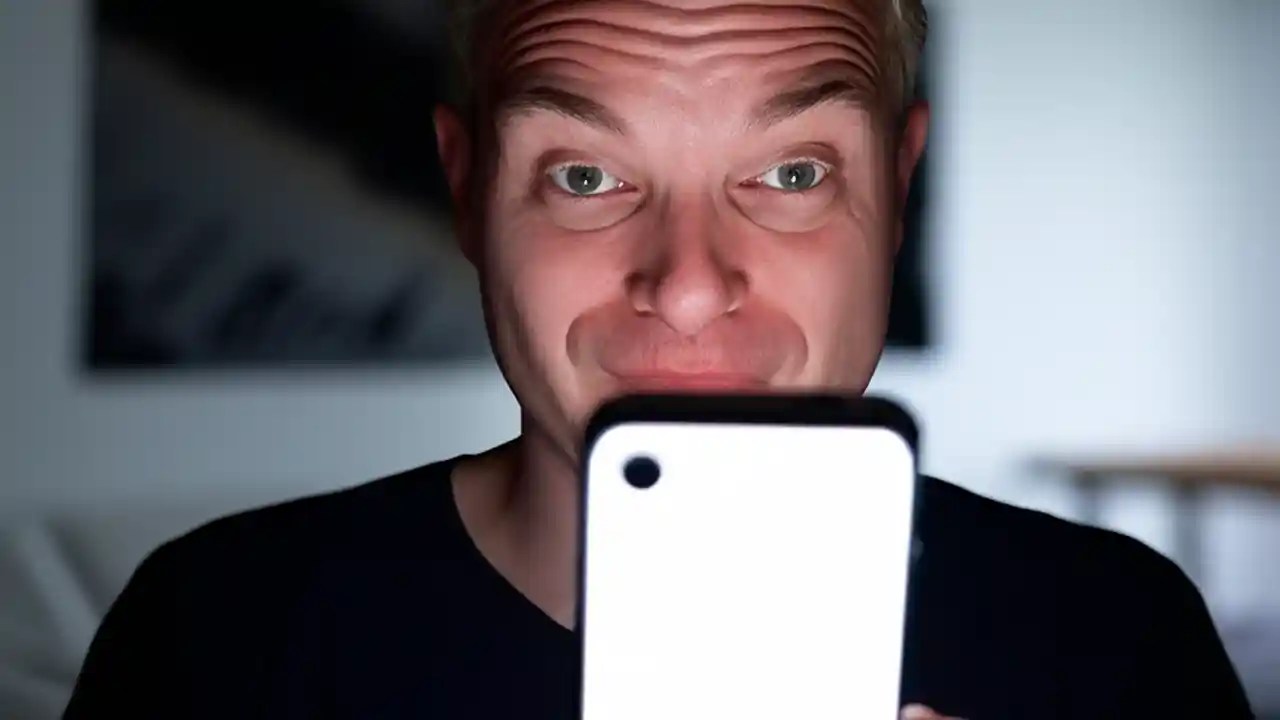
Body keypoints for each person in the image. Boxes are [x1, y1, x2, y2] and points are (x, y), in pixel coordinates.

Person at [63, 0, 1256, 718]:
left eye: (790, 173)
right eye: (585, 176)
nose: (686, 282)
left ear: (897, 185)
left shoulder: (1114, 638)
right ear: (468, 192)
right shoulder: (216, 632)